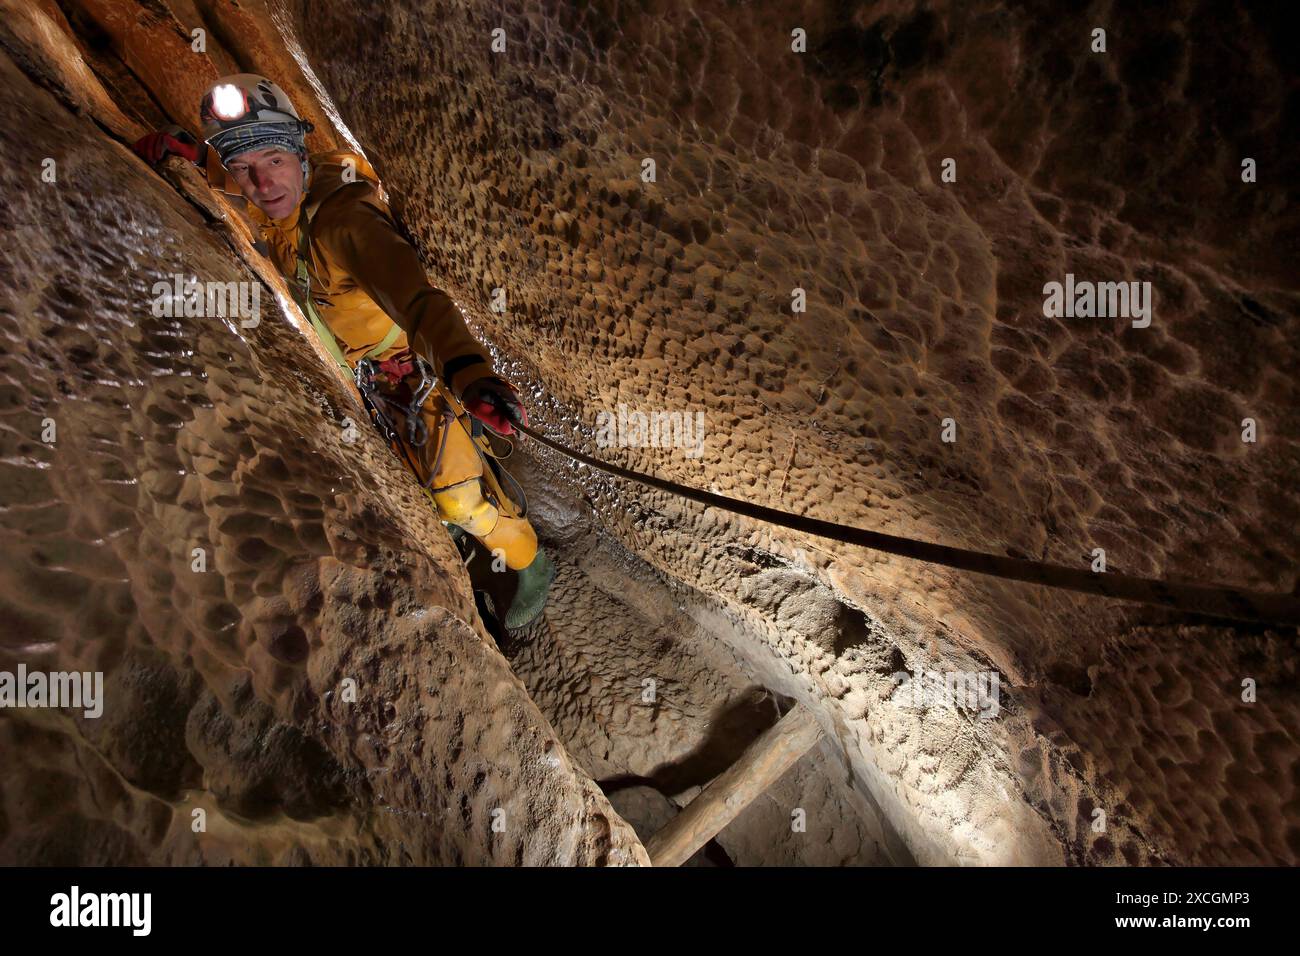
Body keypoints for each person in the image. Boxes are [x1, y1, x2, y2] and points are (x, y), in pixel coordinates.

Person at [134, 74, 553, 629]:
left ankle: (530, 563)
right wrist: (197, 158)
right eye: (243, 168)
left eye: (272, 161)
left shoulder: (345, 222)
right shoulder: (281, 196)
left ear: (300, 152)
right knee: (409, 484)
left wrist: (471, 374)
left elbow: (420, 301)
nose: (261, 183)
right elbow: (252, 179)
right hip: (362, 378)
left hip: (419, 374)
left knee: (458, 501)